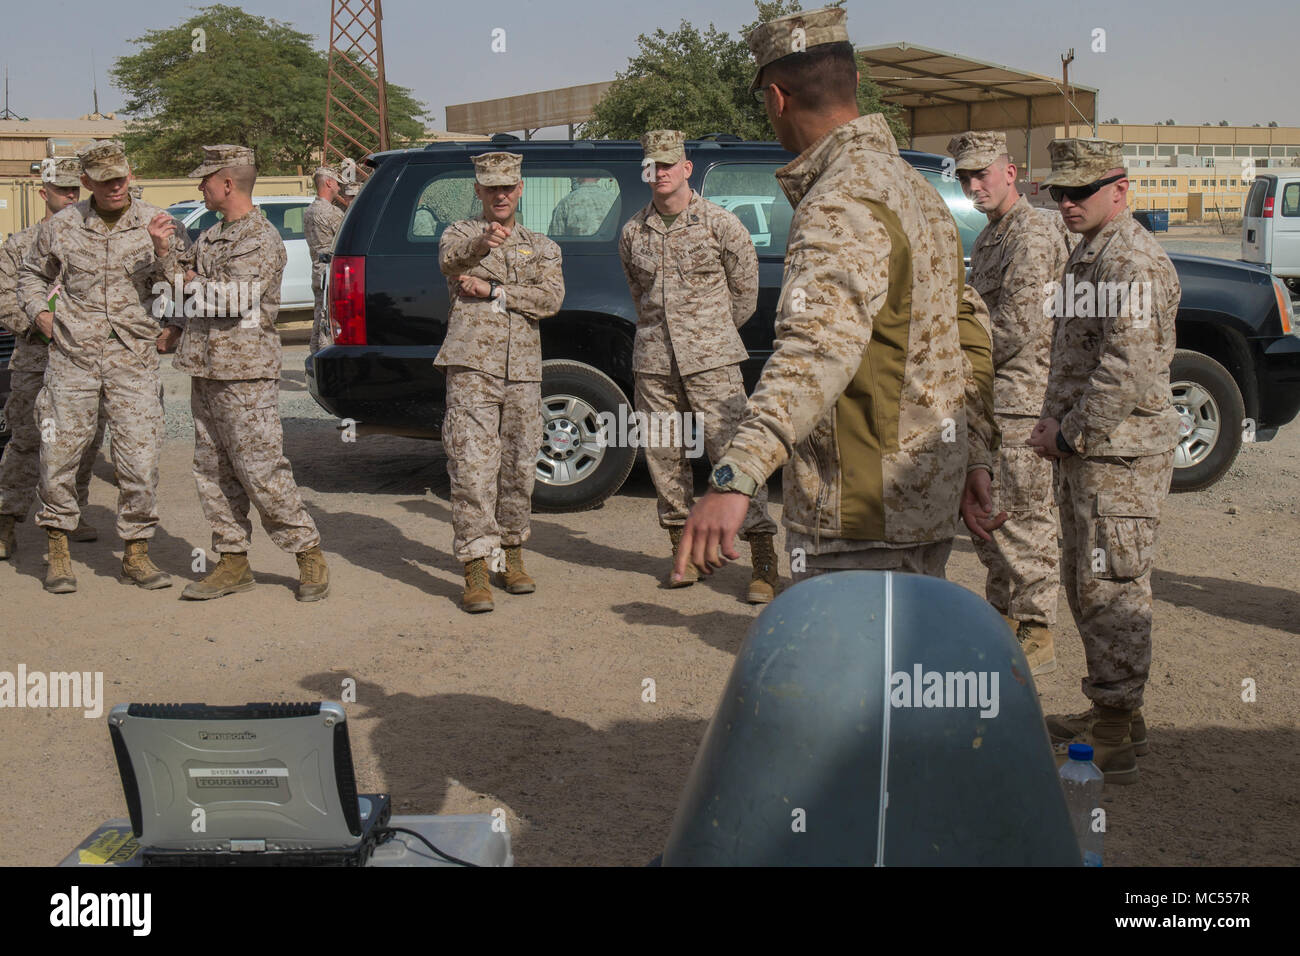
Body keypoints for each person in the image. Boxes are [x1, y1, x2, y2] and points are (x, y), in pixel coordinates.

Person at [673, 6, 1000, 584]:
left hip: (859, 512)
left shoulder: (839, 199)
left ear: (776, 98)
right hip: (924, 497)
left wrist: (736, 474)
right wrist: (974, 455)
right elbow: (965, 332)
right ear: (855, 82)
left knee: (846, 646)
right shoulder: (917, 190)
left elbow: (817, 347)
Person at [1027, 137, 1181, 785]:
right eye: (1059, 192)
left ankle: (1114, 729)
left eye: (1080, 191)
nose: (1066, 202)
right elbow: (1075, 355)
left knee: (1112, 584)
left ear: (1119, 190)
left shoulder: (1132, 261)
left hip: (1120, 456)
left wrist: (1069, 435)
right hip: (1093, 452)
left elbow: (1125, 369)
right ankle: (1116, 712)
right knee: (1085, 579)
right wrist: (1055, 424)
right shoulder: (1091, 251)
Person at [151, 144, 330, 602]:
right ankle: (233, 560)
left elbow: (232, 299)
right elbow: (182, 284)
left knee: (261, 468)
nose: (200, 186)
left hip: (245, 373)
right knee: (212, 469)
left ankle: (307, 552)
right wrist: (165, 252)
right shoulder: (212, 236)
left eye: (206, 179)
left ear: (227, 183)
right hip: (206, 367)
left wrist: (189, 284)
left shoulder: (259, 238)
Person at [618, 129, 778, 601]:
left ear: (686, 168)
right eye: (652, 165)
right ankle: (683, 554)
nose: (660, 172)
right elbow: (640, 295)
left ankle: (763, 559)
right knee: (664, 458)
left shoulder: (721, 224)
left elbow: (744, 294)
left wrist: (709, 336)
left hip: (713, 363)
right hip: (654, 363)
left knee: (733, 455)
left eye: (669, 164)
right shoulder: (633, 232)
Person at [18, 140, 183, 593]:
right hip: (73, 357)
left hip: (133, 358)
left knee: (141, 458)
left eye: (121, 178)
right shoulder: (62, 226)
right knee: (59, 453)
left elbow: (184, 286)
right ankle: (58, 550)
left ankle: (136, 554)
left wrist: (163, 254)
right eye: (105, 180)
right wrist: (41, 314)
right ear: (86, 182)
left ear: (131, 175)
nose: (116, 187)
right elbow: (31, 275)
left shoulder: (157, 222)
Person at [948, 131, 1073, 676]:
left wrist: (953, 359)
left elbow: (1018, 328)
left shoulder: (1032, 234)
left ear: (1010, 172)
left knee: (1023, 517)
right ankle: (1003, 617)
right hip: (992, 397)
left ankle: (1035, 628)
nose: (974, 186)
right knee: (992, 515)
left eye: (982, 174)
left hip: (1022, 398)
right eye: (965, 178)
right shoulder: (992, 236)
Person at [436, 151, 564, 613]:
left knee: (519, 467)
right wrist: (482, 245)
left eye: (508, 186)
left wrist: (494, 291)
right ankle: (475, 566)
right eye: (492, 188)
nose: (501, 195)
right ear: (479, 191)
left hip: (523, 371)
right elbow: (450, 263)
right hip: (472, 367)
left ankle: (511, 554)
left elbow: (551, 299)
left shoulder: (543, 246)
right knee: (471, 468)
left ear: (520, 188)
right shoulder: (459, 235)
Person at [0, 158, 106, 559]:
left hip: (82, 360)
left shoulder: (92, 240)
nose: (71, 196)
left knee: (84, 441)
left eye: (76, 189)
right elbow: (4, 299)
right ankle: (7, 518)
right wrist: (39, 324)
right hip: (36, 358)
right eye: (63, 190)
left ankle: (72, 512)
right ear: (44, 193)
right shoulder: (20, 244)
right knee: (27, 440)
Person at [303, 166, 344, 354]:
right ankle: (323, 355)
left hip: (317, 270)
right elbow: (345, 238)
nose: (339, 188)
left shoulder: (309, 211)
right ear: (328, 183)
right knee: (327, 320)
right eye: (336, 183)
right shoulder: (331, 212)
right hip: (330, 272)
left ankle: (314, 356)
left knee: (319, 316)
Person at [549, 175, 616, 237]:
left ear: (575, 177)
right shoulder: (613, 200)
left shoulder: (566, 203)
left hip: (577, 246)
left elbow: (554, 239)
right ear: (598, 177)